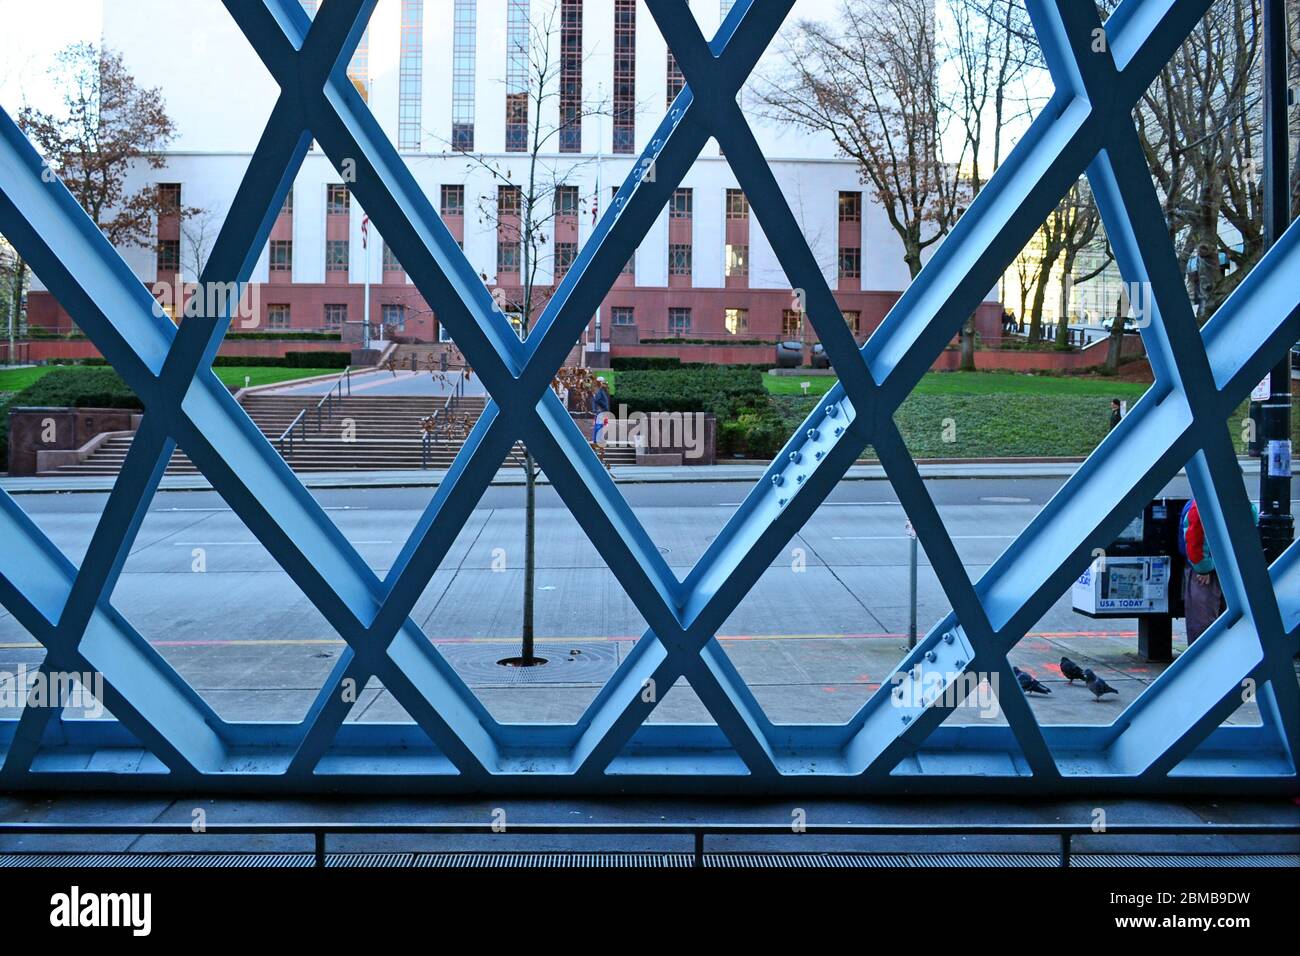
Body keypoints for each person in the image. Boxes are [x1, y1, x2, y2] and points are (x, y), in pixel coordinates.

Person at [1179, 496, 1258, 644]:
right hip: (1223, 567)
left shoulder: (1202, 502)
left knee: (1202, 620)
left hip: (1207, 568)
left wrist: (1202, 567)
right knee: (1217, 620)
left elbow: (1194, 537)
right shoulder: (1237, 501)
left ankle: (1205, 658)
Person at [591, 376, 610, 442]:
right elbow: (597, 400)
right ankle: (596, 441)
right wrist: (603, 407)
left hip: (602, 411)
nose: (604, 384)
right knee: (599, 426)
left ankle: (598, 440)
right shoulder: (599, 390)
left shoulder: (601, 390)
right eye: (602, 382)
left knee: (601, 426)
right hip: (601, 411)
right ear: (600, 382)